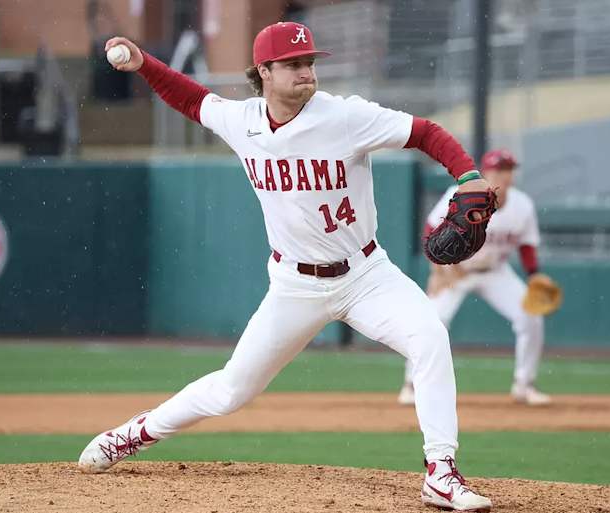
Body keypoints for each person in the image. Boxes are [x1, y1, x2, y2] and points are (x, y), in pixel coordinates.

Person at [78, 22, 494, 511]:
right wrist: (144, 63)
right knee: (232, 390)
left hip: (366, 275)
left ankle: (440, 472)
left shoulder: (346, 116)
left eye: (310, 62)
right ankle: (133, 434)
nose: (307, 71)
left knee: (429, 336)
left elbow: (426, 132)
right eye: (294, 64)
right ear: (264, 72)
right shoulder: (244, 121)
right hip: (294, 285)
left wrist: (467, 175)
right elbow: (191, 100)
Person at [398, 149, 551, 408]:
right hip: (456, 272)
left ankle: (524, 385)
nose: (504, 175)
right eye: (499, 169)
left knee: (531, 317)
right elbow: (430, 229)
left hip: (496, 272)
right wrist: (439, 270)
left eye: (509, 170)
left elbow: (526, 245)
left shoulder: (522, 205)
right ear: (486, 171)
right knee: (431, 320)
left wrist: (534, 274)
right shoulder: (461, 195)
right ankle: (411, 384)